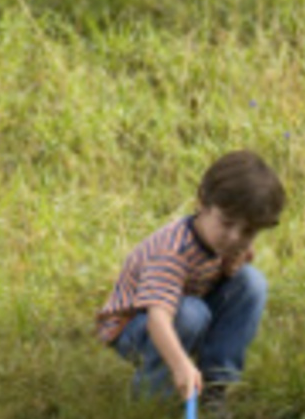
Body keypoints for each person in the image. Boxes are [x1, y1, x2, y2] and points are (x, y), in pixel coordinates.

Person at [97, 149, 286, 405]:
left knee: (251, 284)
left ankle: (215, 387)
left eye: (248, 231)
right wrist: (180, 365)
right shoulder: (172, 251)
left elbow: (227, 276)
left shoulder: (227, 243)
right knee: (191, 313)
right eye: (227, 223)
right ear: (202, 203)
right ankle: (151, 399)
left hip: (187, 307)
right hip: (135, 327)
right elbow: (158, 319)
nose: (235, 237)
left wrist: (233, 263)